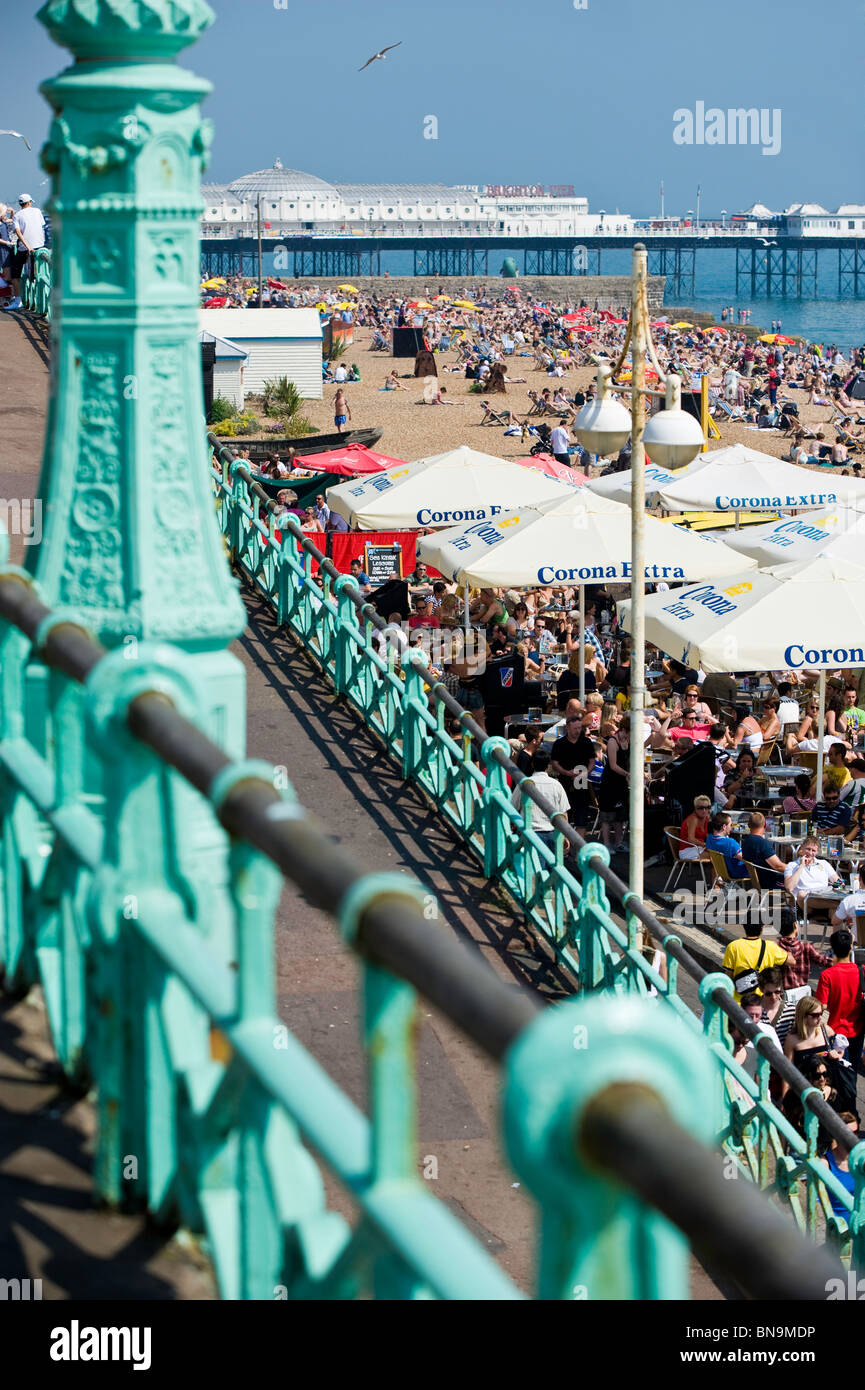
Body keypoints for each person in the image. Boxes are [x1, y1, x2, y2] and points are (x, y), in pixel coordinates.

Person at [815, 928, 865, 1073]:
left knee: (836, 1073)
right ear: (851, 948)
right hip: (857, 1030)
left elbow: (821, 1005)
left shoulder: (827, 975)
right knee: (852, 1071)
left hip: (835, 1032)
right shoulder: (861, 970)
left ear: (833, 949)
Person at [511, 746, 571, 854]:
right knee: (551, 867)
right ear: (548, 766)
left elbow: (512, 807)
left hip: (529, 832)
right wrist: (564, 835)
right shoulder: (556, 785)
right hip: (552, 833)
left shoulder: (524, 783)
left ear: (532, 764)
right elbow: (563, 813)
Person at [781, 997, 842, 1097]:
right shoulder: (792, 1039)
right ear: (803, 1015)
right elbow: (788, 1071)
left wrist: (837, 1054)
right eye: (815, 1015)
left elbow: (842, 1051)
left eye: (821, 1013)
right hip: (804, 1090)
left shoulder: (826, 1031)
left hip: (827, 1088)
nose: (820, 1018)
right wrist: (784, 1099)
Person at [722, 914, 789, 1002]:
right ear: (762, 928)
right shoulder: (770, 946)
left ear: (744, 926)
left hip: (739, 1002)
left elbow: (728, 977)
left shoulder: (733, 946)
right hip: (762, 1001)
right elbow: (792, 961)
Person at [550, 712, 596, 828]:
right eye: (575, 728)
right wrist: (566, 772)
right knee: (565, 816)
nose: (577, 731)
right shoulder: (559, 744)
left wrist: (585, 773)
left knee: (581, 819)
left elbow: (592, 762)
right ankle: (566, 842)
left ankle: (580, 844)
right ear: (567, 728)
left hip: (581, 782)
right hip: (565, 782)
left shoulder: (586, 742)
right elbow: (554, 763)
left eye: (579, 728)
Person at [4, 194, 46, 312]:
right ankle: (40, 302)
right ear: (29, 202)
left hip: (24, 248)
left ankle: (18, 301)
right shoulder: (38, 211)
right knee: (39, 274)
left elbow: (17, 232)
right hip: (39, 246)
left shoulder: (17, 215)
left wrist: (27, 246)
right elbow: (42, 226)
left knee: (15, 275)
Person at [778, 905, 832, 991]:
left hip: (783, 992)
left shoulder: (776, 947)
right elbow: (823, 960)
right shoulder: (805, 946)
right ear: (795, 925)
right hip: (802, 990)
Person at [597, 713, 631, 851]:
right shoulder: (613, 741)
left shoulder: (627, 741)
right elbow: (613, 765)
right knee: (607, 816)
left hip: (621, 783)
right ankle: (606, 844)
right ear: (624, 730)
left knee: (620, 816)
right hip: (610, 783)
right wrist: (627, 774)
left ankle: (619, 842)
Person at [784, 835, 842, 905]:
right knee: (802, 894)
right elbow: (789, 887)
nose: (810, 853)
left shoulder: (824, 864)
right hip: (804, 903)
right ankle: (835, 905)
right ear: (802, 847)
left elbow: (839, 882)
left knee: (833, 911)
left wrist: (831, 890)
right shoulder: (792, 865)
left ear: (817, 852)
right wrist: (801, 866)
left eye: (813, 850)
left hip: (823, 898)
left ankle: (834, 906)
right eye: (808, 849)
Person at [822, 1113, 860, 1218]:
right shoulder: (825, 1163)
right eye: (849, 1133)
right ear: (837, 1134)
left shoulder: (862, 1157)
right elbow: (818, 1199)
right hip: (839, 1225)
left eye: (856, 1132)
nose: (854, 1137)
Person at [741, 812, 786, 889]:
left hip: (757, 880)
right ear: (765, 825)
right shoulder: (763, 843)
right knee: (799, 878)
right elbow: (778, 866)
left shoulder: (745, 841)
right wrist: (795, 868)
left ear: (749, 825)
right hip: (770, 881)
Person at [706, 810, 750, 881]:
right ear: (724, 826)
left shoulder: (709, 838)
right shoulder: (730, 843)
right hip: (737, 872)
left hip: (723, 871)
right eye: (730, 825)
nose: (731, 827)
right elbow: (746, 859)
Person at [679, 794, 711, 861]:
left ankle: (714, 871)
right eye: (701, 808)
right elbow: (691, 839)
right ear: (695, 808)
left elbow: (705, 835)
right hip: (687, 850)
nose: (704, 810)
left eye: (707, 807)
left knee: (720, 853)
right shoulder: (693, 819)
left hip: (698, 847)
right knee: (717, 857)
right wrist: (705, 844)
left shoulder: (706, 818)